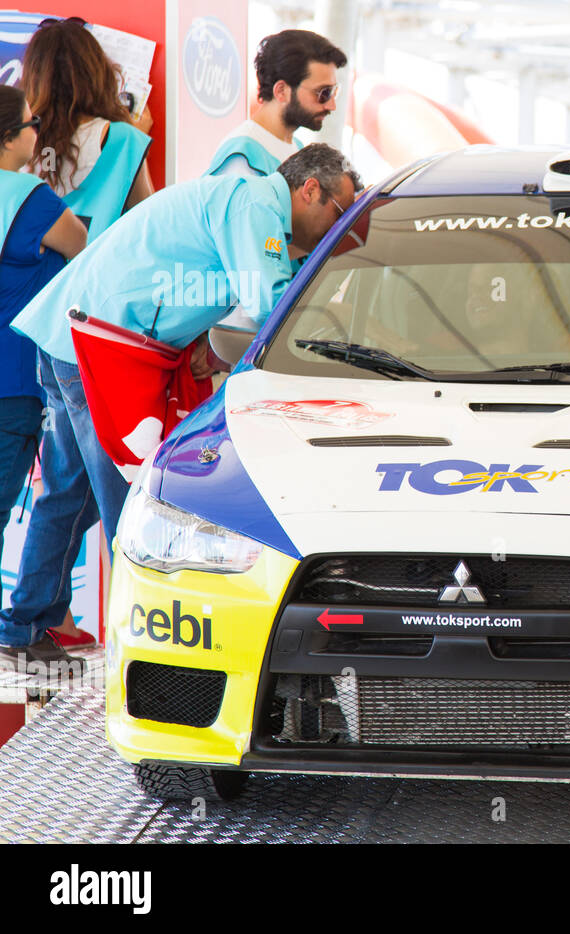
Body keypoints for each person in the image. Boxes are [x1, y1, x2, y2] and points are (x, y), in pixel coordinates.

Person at [0, 144, 360, 669]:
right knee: (133, 500)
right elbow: (268, 303)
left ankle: (23, 626)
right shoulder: (256, 202)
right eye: (339, 211)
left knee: (71, 493)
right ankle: (143, 649)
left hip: (73, 337)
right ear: (309, 190)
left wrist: (209, 350)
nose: (339, 225)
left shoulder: (247, 204)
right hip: (95, 344)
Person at [0, 87, 86, 624]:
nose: (39, 133)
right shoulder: (27, 197)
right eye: (32, 124)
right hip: (12, 382)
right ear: (10, 138)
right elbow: (82, 246)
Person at [21, 16, 154, 240]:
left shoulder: (20, 141)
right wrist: (135, 143)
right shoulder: (125, 140)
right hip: (102, 271)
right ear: (96, 72)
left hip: (38, 273)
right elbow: (151, 222)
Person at [207, 29, 348, 178]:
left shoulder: (296, 148)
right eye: (323, 93)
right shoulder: (241, 157)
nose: (332, 106)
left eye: (333, 92)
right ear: (281, 91)